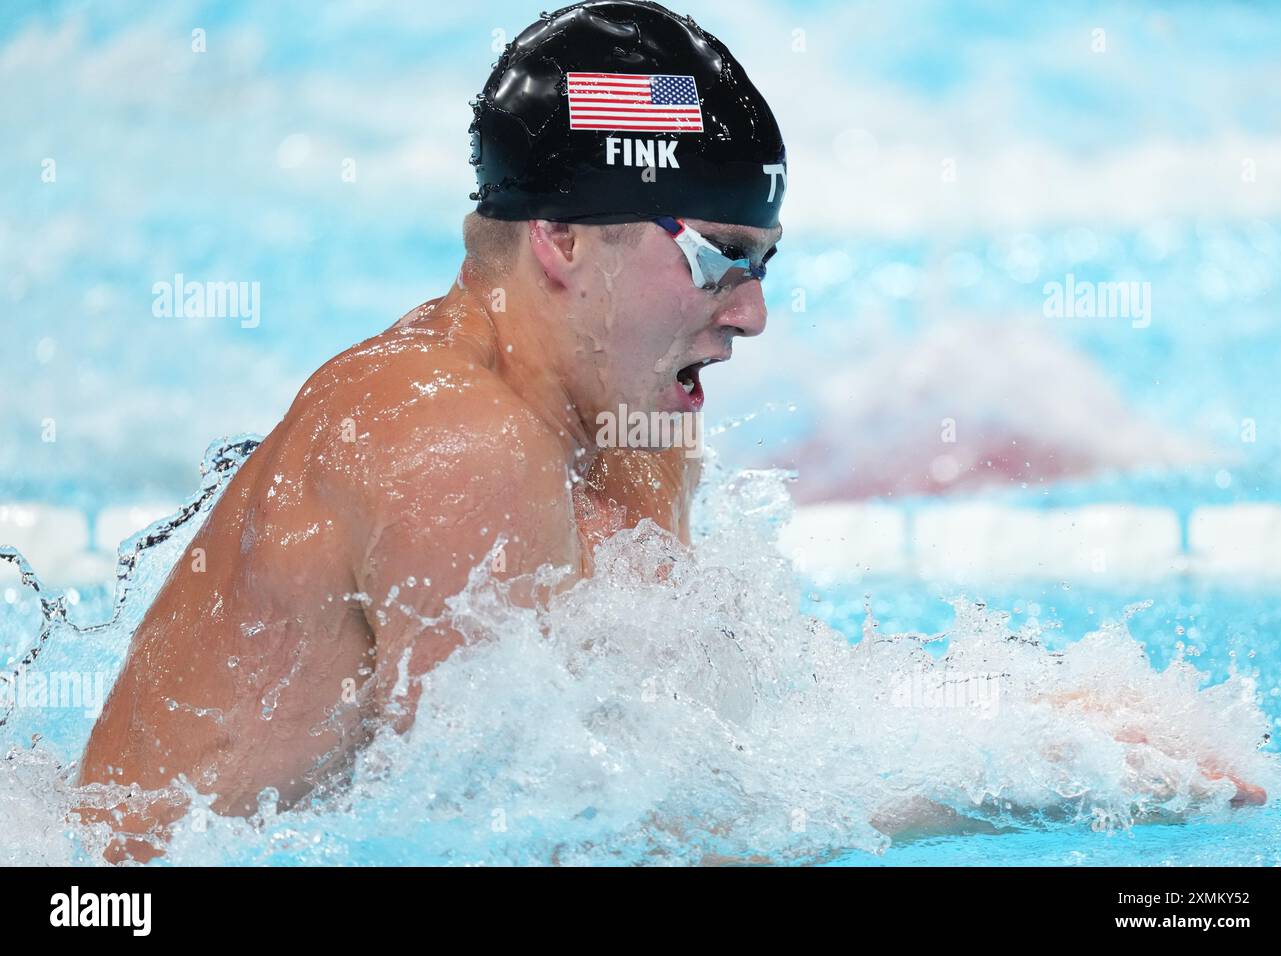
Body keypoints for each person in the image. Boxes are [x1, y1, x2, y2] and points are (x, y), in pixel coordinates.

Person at [74, 0, 786, 862]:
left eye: (764, 262)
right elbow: (509, 840)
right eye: (718, 258)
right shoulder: (454, 440)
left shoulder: (633, 421)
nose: (752, 314)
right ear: (561, 237)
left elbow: (664, 766)